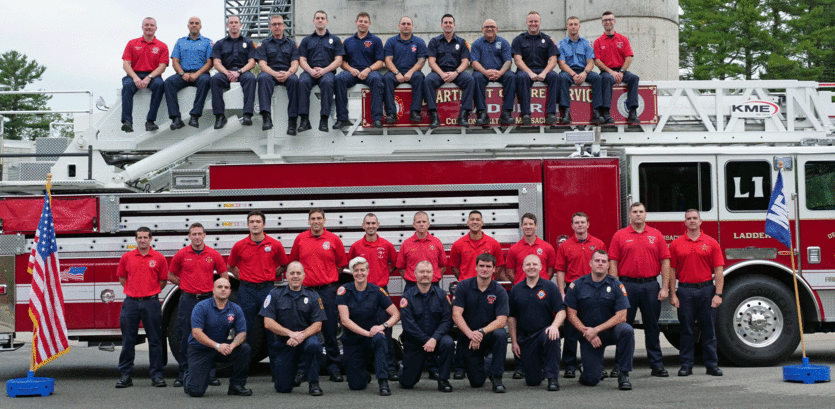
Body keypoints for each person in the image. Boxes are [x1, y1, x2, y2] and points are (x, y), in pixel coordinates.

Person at [608, 202, 671, 377]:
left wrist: (664, 287)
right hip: (627, 286)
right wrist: (615, 287)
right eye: (635, 212)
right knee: (623, 327)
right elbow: (613, 262)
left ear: (645, 214)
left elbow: (665, 261)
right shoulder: (620, 235)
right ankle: (620, 365)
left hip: (650, 285)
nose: (638, 214)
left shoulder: (656, 235)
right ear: (630, 214)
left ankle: (657, 365)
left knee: (652, 327)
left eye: (641, 212)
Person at [290, 208, 348, 382]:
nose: (316, 221)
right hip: (306, 291)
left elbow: (341, 264)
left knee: (330, 329)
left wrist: (327, 278)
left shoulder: (333, 239)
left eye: (319, 218)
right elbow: (294, 263)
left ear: (324, 220)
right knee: (303, 329)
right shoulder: (300, 239)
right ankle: (302, 370)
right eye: (312, 218)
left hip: (328, 290)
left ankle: (334, 368)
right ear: (308, 221)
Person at [168, 223, 228, 388]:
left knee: (211, 336)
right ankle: (183, 374)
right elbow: (170, 274)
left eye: (199, 234)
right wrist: (184, 285)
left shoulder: (213, 254)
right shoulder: (181, 254)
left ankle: (211, 374)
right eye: (193, 234)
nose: (197, 237)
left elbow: (223, 274)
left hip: (208, 300)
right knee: (186, 336)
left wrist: (220, 291)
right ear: (189, 236)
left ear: (204, 235)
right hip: (188, 300)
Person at [565, 250, 634, 390]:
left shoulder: (616, 285)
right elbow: (571, 315)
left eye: (603, 261)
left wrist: (596, 330)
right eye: (597, 261)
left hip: (610, 332)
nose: (600, 264)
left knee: (627, 330)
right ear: (590, 263)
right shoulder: (577, 285)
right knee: (591, 379)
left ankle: (624, 373)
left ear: (608, 265)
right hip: (588, 335)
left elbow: (622, 316)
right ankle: (586, 369)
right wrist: (589, 333)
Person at [668, 210, 724, 377]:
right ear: (684, 222)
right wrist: (673, 294)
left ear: (701, 221)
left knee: (709, 330)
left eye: (695, 218)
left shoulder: (711, 243)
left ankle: (712, 365)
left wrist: (718, 294)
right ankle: (686, 365)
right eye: (688, 219)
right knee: (686, 330)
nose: (692, 221)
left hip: (707, 290)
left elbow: (719, 270)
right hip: (685, 291)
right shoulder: (676, 244)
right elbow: (671, 271)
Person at [260, 261, 327, 396]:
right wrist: (291, 334)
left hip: (307, 339)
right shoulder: (275, 294)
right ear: (286, 275)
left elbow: (317, 324)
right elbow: (268, 322)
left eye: (298, 273)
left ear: (303, 275)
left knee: (314, 345)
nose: (295, 276)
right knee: (283, 388)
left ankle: (313, 383)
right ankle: (295, 374)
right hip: (285, 341)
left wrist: (300, 336)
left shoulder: (313, 295)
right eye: (292, 273)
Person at [337, 257, 401, 396]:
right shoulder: (344, 291)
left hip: (373, 337)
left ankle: (383, 382)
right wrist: (367, 333)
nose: (359, 273)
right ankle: (364, 375)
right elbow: (345, 320)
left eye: (362, 270)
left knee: (380, 339)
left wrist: (383, 326)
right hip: (353, 339)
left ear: (367, 271)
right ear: (352, 272)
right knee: (356, 385)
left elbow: (396, 314)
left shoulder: (377, 290)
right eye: (356, 270)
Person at [227, 210, 288, 351]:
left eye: (258, 221)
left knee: (272, 328)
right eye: (252, 222)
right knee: (244, 328)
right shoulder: (239, 245)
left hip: (268, 290)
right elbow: (230, 266)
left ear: (264, 224)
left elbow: (284, 265)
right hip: (246, 290)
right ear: (248, 225)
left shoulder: (275, 244)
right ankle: (244, 368)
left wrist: (273, 273)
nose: (255, 225)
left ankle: (277, 371)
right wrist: (242, 277)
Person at [554, 212, 606, 378]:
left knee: (593, 326)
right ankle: (569, 365)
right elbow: (560, 270)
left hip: (594, 288)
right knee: (571, 329)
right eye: (576, 223)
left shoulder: (598, 244)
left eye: (583, 222)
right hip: (573, 289)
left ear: (588, 224)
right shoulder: (565, 246)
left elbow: (604, 266)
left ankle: (594, 363)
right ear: (572, 226)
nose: (580, 225)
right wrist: (562, 292)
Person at [115, 227, 168, 388]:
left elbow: (163, 280)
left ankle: (157, 375)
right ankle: (125, 375)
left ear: (151, 239)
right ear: (136, 239)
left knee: (155, 340)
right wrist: (135, 292)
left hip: (151, 303)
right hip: (131, 302)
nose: (142, 240)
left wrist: (149, 292)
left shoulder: (159, 258)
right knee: (128, 340)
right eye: (139, 237)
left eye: (145, 237)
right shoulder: (127, 257)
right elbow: (122, 278)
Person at [348, 213, 399, 379]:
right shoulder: (356, 247)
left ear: (378, 225)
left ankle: (390, 368)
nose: (370, 226)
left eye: (373, 223)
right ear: (363, 226)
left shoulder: (387, 245)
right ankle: (365, 367)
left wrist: (383, 275)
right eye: (367, 223)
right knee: (363, 329)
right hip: (361, 293)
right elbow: (351, 269)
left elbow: (394, 264)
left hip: (380, 291)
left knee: (386, 330)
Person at [184, 277, 252, 397]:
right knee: (196, 391)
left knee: (244, 349)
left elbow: (242, 333)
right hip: (201, 349)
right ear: (213, 290)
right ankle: (189, 376)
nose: (223, 290)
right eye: (219, 287)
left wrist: (232, 346)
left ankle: (236, 386)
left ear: (230, 291)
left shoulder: (236, 309)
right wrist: (217, 346)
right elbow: (196, 333)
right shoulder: (201, 307)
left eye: (226, 287)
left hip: (223, 348)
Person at [452, 254, 509, 393]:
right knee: (476, 383)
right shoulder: (463, 286)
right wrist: (471, 334)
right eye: (482, 266)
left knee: (501, 334)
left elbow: (502, 320)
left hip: (488, 336)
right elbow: (456, 314)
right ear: (476, 267)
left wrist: (481, 332)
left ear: (494, 269)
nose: (485, 269)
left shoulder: (499, 291)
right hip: (469, 337)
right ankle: (488, 361)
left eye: (488, 266)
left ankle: (497, 377)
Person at [509, 255, 565, 391]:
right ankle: (539, 369)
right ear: (522, 268)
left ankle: (552, 378)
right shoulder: (516, 290)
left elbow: (561, 310)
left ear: (541, 267)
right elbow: (511, 317)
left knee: (553, 336)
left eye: (535, 264)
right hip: (526, 338)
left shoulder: (550, 287)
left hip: (543, 332)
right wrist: (514, 341)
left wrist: (554, 326)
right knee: (532, 381)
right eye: (528, 264)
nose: (531, 267)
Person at [398, 261, 454, 392]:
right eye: (421, 272)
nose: (425, 275)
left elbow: (447, 320)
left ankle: (443, 380)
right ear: (415, 274)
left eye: (428, 272)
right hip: (416, 343)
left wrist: (434, 339)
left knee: (448, 342)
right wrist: (426, 340)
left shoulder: (441, 295)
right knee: (406, 383)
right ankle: (404, 368)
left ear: (433, 274)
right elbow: (408, 325)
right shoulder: (407, 297)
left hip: (437, 340)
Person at [334, 12, 385, 129]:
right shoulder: (347, 41)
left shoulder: (376, 40)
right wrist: (351, 69)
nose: (363, 24)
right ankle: (342, 118)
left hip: (370, 72)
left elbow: (380, 62)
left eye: (365, 22)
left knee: (377, 79)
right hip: (352, 73)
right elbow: (342, 62)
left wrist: (368, 70)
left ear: (369, 24)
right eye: (360, 21)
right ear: (356, 22)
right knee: (339, 79)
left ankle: (376, 118)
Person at [297, 10, 345, 133]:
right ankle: (304, 119)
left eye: (322, 18)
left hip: (327, 71)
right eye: (317, 18)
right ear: (313, 21)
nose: (320, 20)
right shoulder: (306, 40)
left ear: (326, 21)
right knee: (302, 82)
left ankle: (324, 120)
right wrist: (310, 70)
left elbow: (338, 60)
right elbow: (302, 60)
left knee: (328, 83)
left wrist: (324, 70)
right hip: (309, 71)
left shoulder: (335, 40)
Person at [425, 14, 475, 129]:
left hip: (456, 72)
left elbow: (465, 61)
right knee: (427, 81)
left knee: (470, 80)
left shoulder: (462, 42)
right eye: (446, 22)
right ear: (442, 25)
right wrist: (441, 74)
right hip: (438, 72)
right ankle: (434, 115)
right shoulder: (434, 41)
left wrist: (456, 73)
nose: (448, 25)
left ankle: (463, 115)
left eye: (450, 22)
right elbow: (431, 62)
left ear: (454, 25)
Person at [163, 17, 212, 130]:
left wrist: (197, 74)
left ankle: (195, 116)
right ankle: (176, 118)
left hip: (200, 74)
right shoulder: (180, 41)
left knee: (206, 81)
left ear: (200, 26)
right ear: (188, 25)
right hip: (183, 73)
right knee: (168, 82)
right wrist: (181, 73)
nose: (194, 25)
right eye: (191, 23)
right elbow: (175, 61)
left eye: (196, 23)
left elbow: (210, 63)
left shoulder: (207, 42)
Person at [121, 17, 168, 133]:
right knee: (127, 86)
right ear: (142, 27)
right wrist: (135, 77)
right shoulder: (132, 43)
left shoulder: (162, 46)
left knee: (160, 85)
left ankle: (150, 121)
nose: (149, 27)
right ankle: (127, 122)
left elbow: (162, 66)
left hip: (152, 75)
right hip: (134, 74)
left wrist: (149, 77)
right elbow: (126, 64)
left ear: (156, 28)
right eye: (146, 25)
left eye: (152, 25)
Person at [511, 11, 559, 126]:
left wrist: (544, 73)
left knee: (555, 77)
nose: (533, 24)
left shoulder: (548, 40)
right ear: (527, 23)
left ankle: (551, 114)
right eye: (531, 21)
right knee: (521, 77)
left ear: (540, 23)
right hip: (525, 70)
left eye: (536, 21)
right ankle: (526, 114)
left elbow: (553, 60)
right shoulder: (518, 40)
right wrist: (529, 73)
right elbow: (518, 60)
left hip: (543, 69)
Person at [210, 15, 256, 129]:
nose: (234, 24)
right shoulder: (219, 43)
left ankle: (247, 115)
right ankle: (220, 116)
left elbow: (252, 62)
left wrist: (239, 72)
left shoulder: (248, 43)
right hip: (225, 72)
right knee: (214, 79)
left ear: (240, 25)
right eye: (231, 22)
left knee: (251, 78)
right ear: (227, 25)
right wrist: (227, 73)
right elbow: (216, 62)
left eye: (236, 22)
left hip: (243, 72)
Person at [255, 15, 300, 134]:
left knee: (295, 80)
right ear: (270, 27)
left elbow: (295, 64)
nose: (277, 26)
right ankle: (266, 118)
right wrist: (275, 74)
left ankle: (292, 121)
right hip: (270, 73)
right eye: (274, 24)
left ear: (284, 26)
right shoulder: (264, 44)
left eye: (279, 24)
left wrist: (289, 73)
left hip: (287, 73)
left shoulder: (291, 44)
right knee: (262, 77)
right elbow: (262, 65)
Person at [594, 11, 640, 124]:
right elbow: (597, 61)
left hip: (621, 70)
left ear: (614, 21)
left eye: (610, 19)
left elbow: (629, 57)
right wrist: (611, 72)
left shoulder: (623, 39)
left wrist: (621, 72)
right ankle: (606, 113)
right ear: (602, 23)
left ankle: (633, 112)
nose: (607, 22)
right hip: (606, 71)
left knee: (634, 78)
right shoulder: (598, 41)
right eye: (605, 20)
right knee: (607, 79)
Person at [557, 17, 604, 125]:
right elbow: (561, 63)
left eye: (575, 24)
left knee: (598, 78)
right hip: (568, 71)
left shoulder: (586, 43)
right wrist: (573, 74)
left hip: (583, 70)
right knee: (562, 78)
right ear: (567, 27)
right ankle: (566, 113)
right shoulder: (561, 44)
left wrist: (584, 73)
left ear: (579, 26)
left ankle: (597, 112)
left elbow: (591, 62)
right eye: (571, 24)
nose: (573, 26)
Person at [470, 19, 515, 126]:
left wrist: (500, 72)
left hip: (500, 72)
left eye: (492, 27)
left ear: (497, 29)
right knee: (476, 77)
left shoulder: (503, 43)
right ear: (482, 29)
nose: (489, 29)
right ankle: (482, 113)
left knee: (511, 77)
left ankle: (506, 113)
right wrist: (485, 72)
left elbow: (508, 61)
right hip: (482, 72)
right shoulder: (477, 44)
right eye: (486, 27)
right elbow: (474, 62)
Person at [383, 17, 427, 124]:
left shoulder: (419, 42)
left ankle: (415, 112)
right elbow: (387, 60)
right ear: (399, 26)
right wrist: (397, 73)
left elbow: (421, 61)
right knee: (386, 78)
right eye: (403, 24)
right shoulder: (391, 41)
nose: (406, 26)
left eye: (408, 24)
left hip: (413, 72)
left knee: (420, 77)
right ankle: (391, 114)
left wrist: (410, 72)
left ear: (412, 27)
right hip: (395, 72)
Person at [396, 211, 447, 290]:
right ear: (414, 225)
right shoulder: (406, 244)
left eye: (424, 221)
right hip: (412, 286)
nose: (421, 224)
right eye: (418, 222)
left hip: (433, 285)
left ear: (428, 224)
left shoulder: (437, 242)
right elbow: (401, 268)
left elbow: (443, 266)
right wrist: (412, 279)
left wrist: (432, 278)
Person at [449, 210, 505, 281]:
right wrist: (465, 281)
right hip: (466, 287)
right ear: (468, 223)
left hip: (487, 286)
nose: (475, 222)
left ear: (482, 223)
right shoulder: (458, 244)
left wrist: (489, 279)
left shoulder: (493, 243)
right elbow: (454, 267)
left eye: (477, 220)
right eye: (472, 219)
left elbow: (499, 266)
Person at [504, 213, 556, 284]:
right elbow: (509, 272)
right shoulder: (514, 249)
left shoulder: (547, 247)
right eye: (525, 224)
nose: (528, 227)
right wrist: (520, 284)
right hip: (522, 290)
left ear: (536, 226)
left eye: (531, 224)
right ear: (522, 226)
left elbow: (551, 271)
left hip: (542, 289)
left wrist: (543, 283)